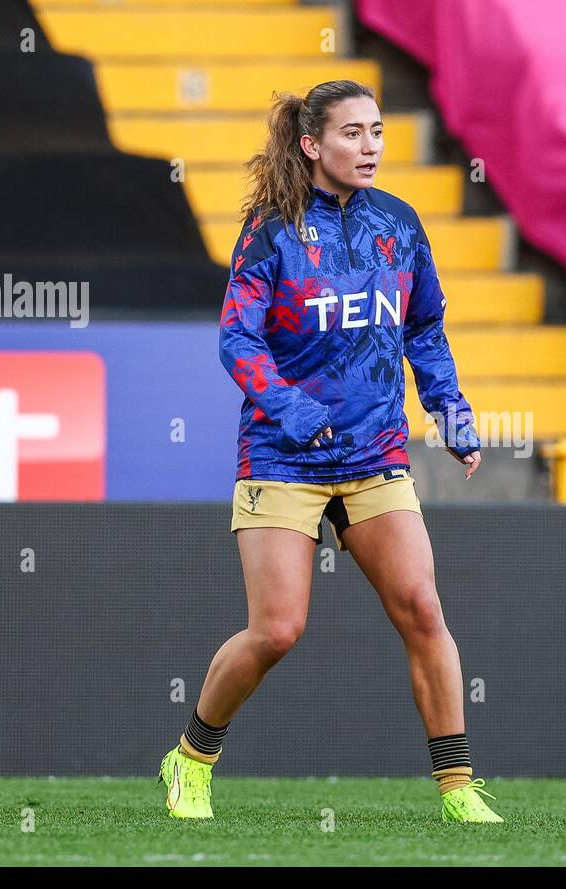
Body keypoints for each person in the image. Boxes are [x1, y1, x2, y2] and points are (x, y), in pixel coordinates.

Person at [158, 80, 502, 824]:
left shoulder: (401, 226)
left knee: (421, 608)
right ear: (313, 144)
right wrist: (293, 409)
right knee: (277, 630)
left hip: (376, 452)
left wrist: (450, 412)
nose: (371, 146)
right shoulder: (271, 231)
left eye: (377, 131)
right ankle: (190, 758)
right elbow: (237, 339)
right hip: (283, 456)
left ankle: (458, 787)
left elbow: (425, 330)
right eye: (352, 133)